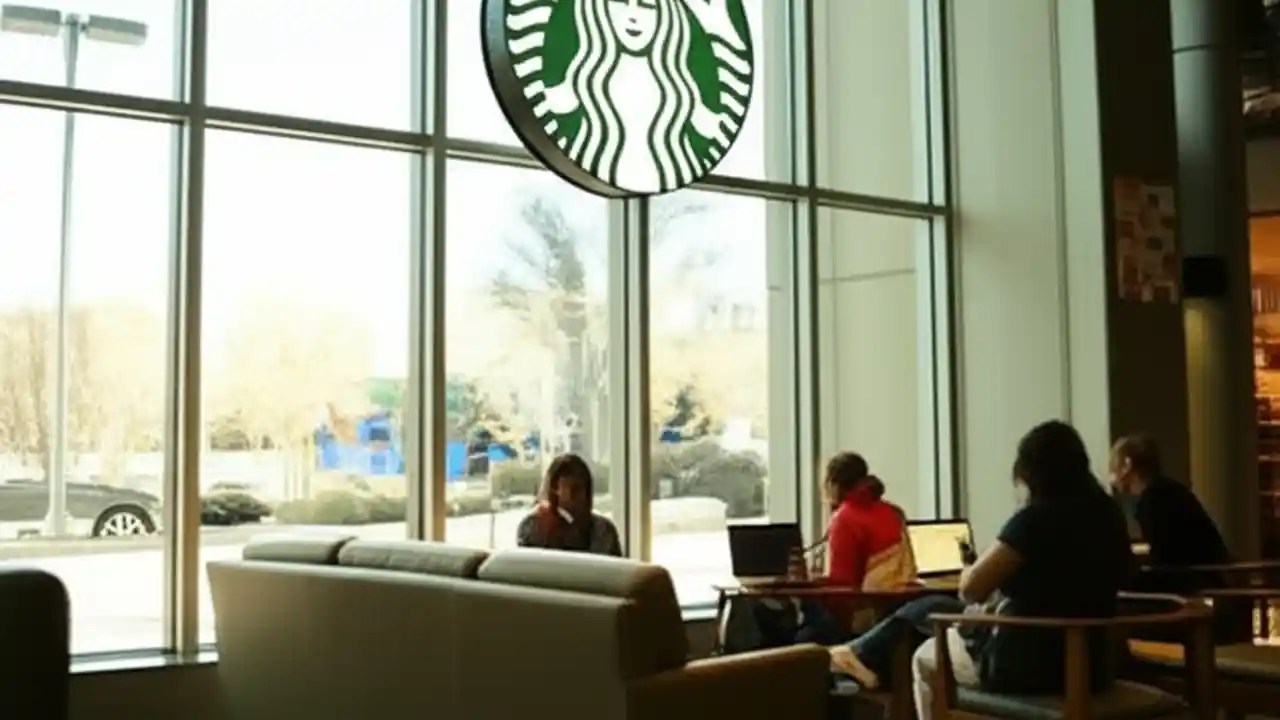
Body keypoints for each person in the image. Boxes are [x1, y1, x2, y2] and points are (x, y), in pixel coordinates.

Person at [911, 421, 1133, 716]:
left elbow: (971, 589)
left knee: (925, 656)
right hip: (1097, 667)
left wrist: (970, 570)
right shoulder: (1109, 514)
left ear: (1030, 472)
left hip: (1024, 668)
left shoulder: (1033, 521)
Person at [1109, 434, 1230, 591]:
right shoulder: (1170, 490)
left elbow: (1165, 558)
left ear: (1127, 464)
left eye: (1114, 465)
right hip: (1206, 578)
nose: (1112, 474)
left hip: (1191, 582)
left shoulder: (1152, 500)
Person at [823, 452, 917, 589]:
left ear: (833, 484)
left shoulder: (844, 519)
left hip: (871, 605)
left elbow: (841, 585)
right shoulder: (895, 512)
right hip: (904, 600)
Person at [516, 454, 621, 556]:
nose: (581, 496)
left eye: (585, 488)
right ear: (554, 488)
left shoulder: (603, 531)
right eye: (574, 489)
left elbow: (617, 570)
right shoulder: (533, 527)